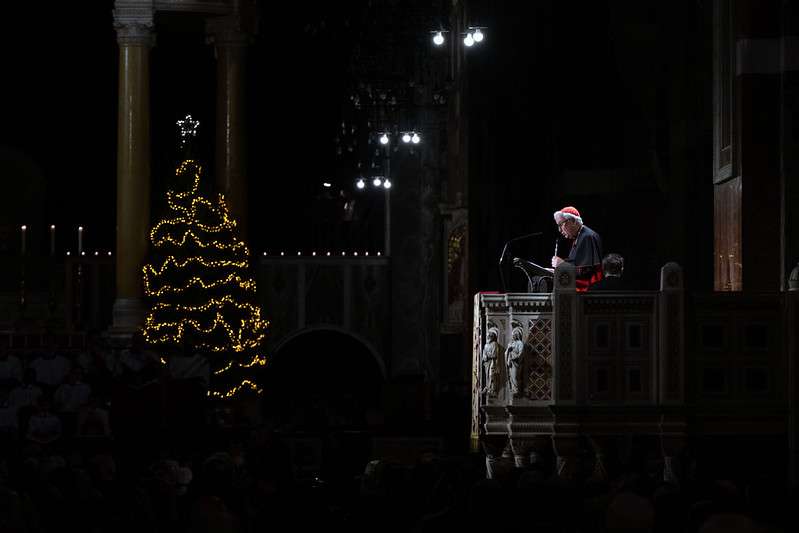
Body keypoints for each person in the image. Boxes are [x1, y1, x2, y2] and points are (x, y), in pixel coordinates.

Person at [551, 206, 603, 291]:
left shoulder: (587, 236)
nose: (560, 230)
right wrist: (556, 270)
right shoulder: (579, 237)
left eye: (561, 224)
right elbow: (575, 265)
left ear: (573, 221)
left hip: (588, 292)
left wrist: (562, 265)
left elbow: (586, 272)